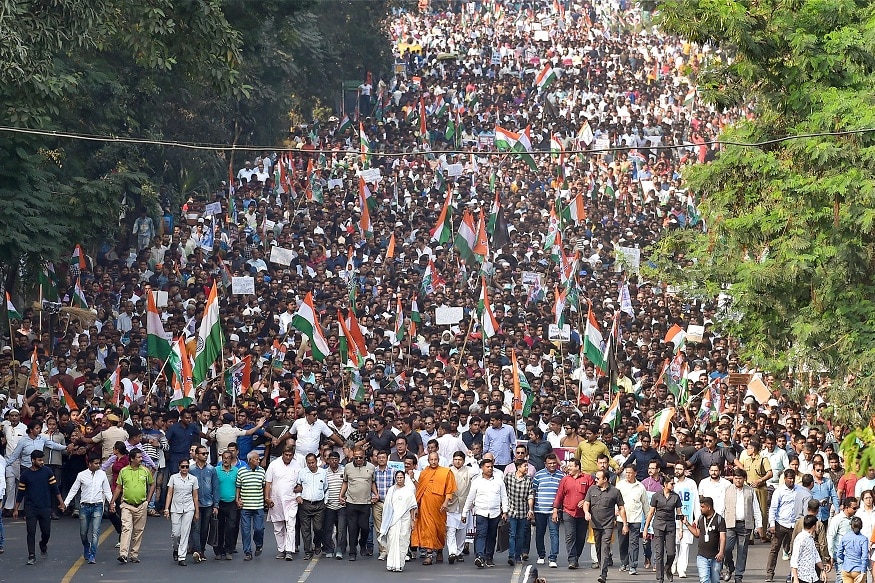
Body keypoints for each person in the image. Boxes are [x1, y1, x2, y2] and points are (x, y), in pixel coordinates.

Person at [14, 451, 65, 565]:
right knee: (31, 531)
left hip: (45, 507)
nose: (42, 462)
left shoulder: (47, 471)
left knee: (46, 532)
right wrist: (16, 509)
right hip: (30, 507)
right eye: (39, 460)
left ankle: (43, 544)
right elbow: (20, 492)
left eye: (42, 460)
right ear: (33, 460)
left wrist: (61, 502)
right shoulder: (25, 475)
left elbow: (55, 488)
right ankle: (31, 555)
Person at [64, 455, 113, 564]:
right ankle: (87, 545)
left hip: (98, 506)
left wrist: (111, 503)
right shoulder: (81, 475)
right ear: (89, 464)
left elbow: (107, 491)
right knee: (83, 533)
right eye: (96, 463)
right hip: (84, 506)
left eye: (99, 463)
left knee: (95, 532)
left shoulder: (102, 474)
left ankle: (92, 554)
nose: (98, 465)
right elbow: (73, 490)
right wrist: (65, 503)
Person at [411, 450, 456, 564]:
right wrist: (412, 479)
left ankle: (440, 550)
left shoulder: (446, 472)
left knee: (439, 530)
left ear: (439, 460)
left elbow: (449, 490)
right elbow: (419, 489)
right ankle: (429, 554)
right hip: (425, 506)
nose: (433, 461)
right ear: (428, 460)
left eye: (435, 459)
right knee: (428, 529)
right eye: (431, 459)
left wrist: (446, 502)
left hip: (439, 507)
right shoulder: (424, 472)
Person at [110, 449, 155, 564]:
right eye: (139, 457)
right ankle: (123, 554)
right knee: (126, 528)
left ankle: (134, 554)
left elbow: (152, 484)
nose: (141, 459)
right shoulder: (124, 471)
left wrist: (148, 500)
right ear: (132, 459)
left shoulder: (145, 471)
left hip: (141, 505)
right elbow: (119, 488)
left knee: (138, 530)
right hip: (126, 505)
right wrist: (112, 502)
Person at [463, 458, 508, 568]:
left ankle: (489, 557)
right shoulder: (477, 482)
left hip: (495, 513)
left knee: (492, 536)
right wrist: (464, 512)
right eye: (487, 467)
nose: (490, 468)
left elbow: (504, 496)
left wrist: (505, 511)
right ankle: (480, 556)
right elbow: (470, 498)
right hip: (481, 512)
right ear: (482, 468)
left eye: (491, 466)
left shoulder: (499, 481)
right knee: (481, 534)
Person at [584, 468, 628, 583]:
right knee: (598, 548)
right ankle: (601, 563)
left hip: (608, 525)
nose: (596, 480)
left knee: (605, 547)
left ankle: (603, 574)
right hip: (595, 523)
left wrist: (624, 524)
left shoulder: (615, 492)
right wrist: (586, 512)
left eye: (598, 478)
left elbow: (621, 508)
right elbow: (586, 503)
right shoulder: (592, 489)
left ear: (606, 479)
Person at [723, 468, 764, 583]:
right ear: (733, 479)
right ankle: (730, 567)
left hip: (745, 525)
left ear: (744, 479)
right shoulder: (727, 490)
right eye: (736, 478)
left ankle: (738, 576)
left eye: (740, 478)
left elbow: (756, 509)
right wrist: (719, 524)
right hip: (729, 524)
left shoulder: (750, 491)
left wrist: (759, 525)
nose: (738, 480)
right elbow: (722, 507)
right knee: (727, 549)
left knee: (742, 551)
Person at [552, 457, 594, 569]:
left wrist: (585, 501)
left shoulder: (588, 478)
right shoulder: (565, 480)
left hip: (583, 513)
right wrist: (555, 510)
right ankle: (572, 559)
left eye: (571, 466)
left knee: (580, 538)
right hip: (568, 512)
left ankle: (576, 557)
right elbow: (559, 495)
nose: (568, 468)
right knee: (570, 536)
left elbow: (593, 493)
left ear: (577, 467)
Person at [645, 474, 686, 583]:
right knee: (659, 552)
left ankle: (668, 567)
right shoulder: (656, 496)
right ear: (665, 484)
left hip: (670, 526)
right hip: (658, 525)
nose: (673, 485)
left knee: (671, 552)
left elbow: (679, 513)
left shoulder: (675, 497)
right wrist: (646, 528)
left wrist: (681, 528)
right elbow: (651, 512)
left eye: (674, 483)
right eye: (671, 483)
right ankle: (660, 578)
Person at [339, 447, 377, 561]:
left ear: (364, 456)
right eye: (356, 458)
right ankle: (352, 551)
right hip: (351, 502)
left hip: (365, 502)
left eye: (361, 457)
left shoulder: (371, 467)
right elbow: (345, 482)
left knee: (365, 527)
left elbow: (372, 482)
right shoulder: (348, 467)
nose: (359, 459)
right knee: (352, 528)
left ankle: (362, 543)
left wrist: (376, 494)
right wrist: (341, 495)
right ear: (353, 457)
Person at [377, 470, 418, 572]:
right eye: (398, 478)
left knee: (403, 541)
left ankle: (399, 564)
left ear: (404, 478)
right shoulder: (391, 490)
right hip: (393, 519)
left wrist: (413, 520)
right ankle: (391, 564)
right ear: (395, 478)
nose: (399, 479)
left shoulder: (408, 491)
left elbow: (412, 507)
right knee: (392, 540)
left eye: (401, 477)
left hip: (405, 519)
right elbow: (387, 506)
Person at [265, 445, 301, 560]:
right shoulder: (274, 464)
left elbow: (301, 481)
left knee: (291, 525)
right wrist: (267, 498)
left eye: (290, 455)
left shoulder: (297, 465)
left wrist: (300, 488)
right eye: (286, 455)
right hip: (276, 500)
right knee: (278, 527)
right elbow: (268, 483)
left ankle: (289, 550)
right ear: (282, 454)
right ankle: (281, 549)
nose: (288, 457)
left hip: (291, 500)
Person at [768, 469, 803, 582]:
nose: (791, 481)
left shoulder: (799, 490)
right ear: (785, 479)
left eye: (793, 478)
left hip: (794, 525)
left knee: (794, 551)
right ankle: (769, 574)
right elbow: (773, 508)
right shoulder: (779, 491)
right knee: (774, 549)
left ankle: (792, 575)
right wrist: (772, 524)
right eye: (789, 478)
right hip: (781, 524)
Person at [165, 458, 199, 566]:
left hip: (189, 508)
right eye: (183, 466)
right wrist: (166, 508)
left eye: (187, 467)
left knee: (185, 532)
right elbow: (169, 493)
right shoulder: (173, 478)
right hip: (176, 508)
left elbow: (195, 496)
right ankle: (176, 548)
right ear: (179, 467)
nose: (185, 469)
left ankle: (181, 556)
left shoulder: (193, 479)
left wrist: (197, 511)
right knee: (176, 534)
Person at [533, 452, 564, 568]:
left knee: (554, 534)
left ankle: (553, 558)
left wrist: (558, 509)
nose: (552, 465)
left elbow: (562, 494)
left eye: (554, 463)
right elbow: (534, 491)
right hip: (539, 510)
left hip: (554, 511)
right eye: (549, 463)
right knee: (540, 533)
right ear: (545, 464)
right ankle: (541, 555)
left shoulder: (561, 476)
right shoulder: (538, 475)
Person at [617, 465, 650, 575]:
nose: (628, 475)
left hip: (635, 519)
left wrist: (647, 522)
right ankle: (624, 562)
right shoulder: (620, 485)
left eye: (630, 473)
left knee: (634, 543)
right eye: (626, 472)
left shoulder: (640, 487)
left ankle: (633, 565)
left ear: (635, 473)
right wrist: (614, 511)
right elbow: (614, 500)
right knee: (622, 543)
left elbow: (646, 505)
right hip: (621, 519)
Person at [188, 444, 218, 564]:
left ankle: (202, 550)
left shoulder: (211, 469)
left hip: (208, 503)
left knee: (205, 528)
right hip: (194, 503)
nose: (205, 455)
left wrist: (216, 505)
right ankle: (198, 550)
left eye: (207, 454)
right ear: (196, 455)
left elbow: (215, 487)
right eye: (203, 453)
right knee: (196, 527)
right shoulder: (191, 469)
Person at [296, 452, 328, 560]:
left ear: (316, 462)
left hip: (319, 504)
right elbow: (298, 486)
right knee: (305, 530)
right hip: (305, 504)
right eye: (309, 463)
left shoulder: (323, 473)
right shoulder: (302, 473)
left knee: (318, 528)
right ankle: (307, 551)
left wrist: (325, 501)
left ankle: (317, 544)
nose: (311, 465)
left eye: (313, 462)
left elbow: (326, 488)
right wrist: (298, 496)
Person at [447, 450, 476, 564]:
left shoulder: (468, 470)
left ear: (463, 461)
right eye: (455, 459)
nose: (457, 462)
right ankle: (452, 553)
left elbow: (477, 471)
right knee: (451, 530)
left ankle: (459, 552)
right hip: (451, 504)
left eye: (460, 460)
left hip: (464, 505)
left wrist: (472, 459)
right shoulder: (448, 471)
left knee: (462, 531)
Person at [688, 496, 727, 583]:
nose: (700, 509)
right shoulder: (701, 519)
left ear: (709, 507)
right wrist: (687, 524)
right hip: (702, 556)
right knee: (704, 579)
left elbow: (723, 537)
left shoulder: (719, 520)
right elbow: (697, 534)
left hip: (715, 557)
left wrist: (721, 552)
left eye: (702, 507)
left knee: (715, 580)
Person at [236, 451, 267, 561]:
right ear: (250, 460)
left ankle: (258, 544)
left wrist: (265, 499)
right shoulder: (242, 471)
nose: (258, 461)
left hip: (258, 505)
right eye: (256, 459)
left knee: (259, 529)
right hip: (246, 505)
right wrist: (237, 499)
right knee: (245, 530)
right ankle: (247, 551)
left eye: (258, 459)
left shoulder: (262, 471)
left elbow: (264, 487)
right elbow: (238, 487)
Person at [505, 457, 535, 566]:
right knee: (512, 534)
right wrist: (503, 510)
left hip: (523, 512)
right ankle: (511, 556)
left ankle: (518, 556)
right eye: (524, 466)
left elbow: (530, 495)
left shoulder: (528, 480)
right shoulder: (509, 477)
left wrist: (530, 509)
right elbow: (504, 493)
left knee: (520, 535)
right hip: (511, 511)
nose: (527, 468)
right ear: (518, 467)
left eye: (527, 466)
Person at [673, 462, 701, 578]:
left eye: (680, 469)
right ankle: (672, 565)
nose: (677, 471)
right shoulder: (671, 482)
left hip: (687, 519)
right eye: (676, 468)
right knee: (672, 545)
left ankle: (681, 569)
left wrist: (697, 518)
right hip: (673, 519)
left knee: (685, 546)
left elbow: (696, 501)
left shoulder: (691, 483)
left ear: (684, 470)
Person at [214, 450, 239, 560]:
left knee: (231, 527)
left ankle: (229, 550)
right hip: (220, 503)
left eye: (228, 457)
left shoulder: (236, 471)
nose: (225, 460)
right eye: (224, 457)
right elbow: (213, 486)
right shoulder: (216, 470)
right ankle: (218, 551)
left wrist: (239, 499)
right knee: (219, 527)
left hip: (232, 503)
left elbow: (239, 486)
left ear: (231, 459)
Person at [790, 515, 826, 583]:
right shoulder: (800, 539)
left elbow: (816, 556)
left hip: (812, 577)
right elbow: (794, 558)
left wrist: (822, 570)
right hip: (801, 577)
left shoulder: (810, 538)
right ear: (814, 526)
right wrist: (795, 578)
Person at [835, 516, 867, 583]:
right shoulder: (864, 539)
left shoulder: (845, 537)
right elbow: (864, 557)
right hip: (858, 570)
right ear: (861, 526)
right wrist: (863, 572)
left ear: (851, 526)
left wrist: (846, 559)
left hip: (846, 569)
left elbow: (839, 553)